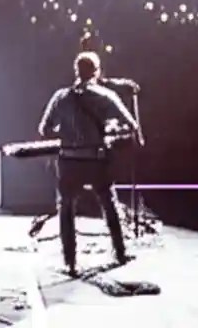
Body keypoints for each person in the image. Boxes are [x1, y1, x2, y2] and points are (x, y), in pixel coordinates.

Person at [38, 50, 142, 274]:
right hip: (96, 159)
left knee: (66, 208)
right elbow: (131, 125)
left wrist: (67, 131)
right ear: (97, 71)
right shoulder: (105, 97)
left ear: (76, 71)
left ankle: (70, 261)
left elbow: (44, 129)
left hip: (68, 161)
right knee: (108, 204)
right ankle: (120, 252)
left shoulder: (61, 97)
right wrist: (110, 130)